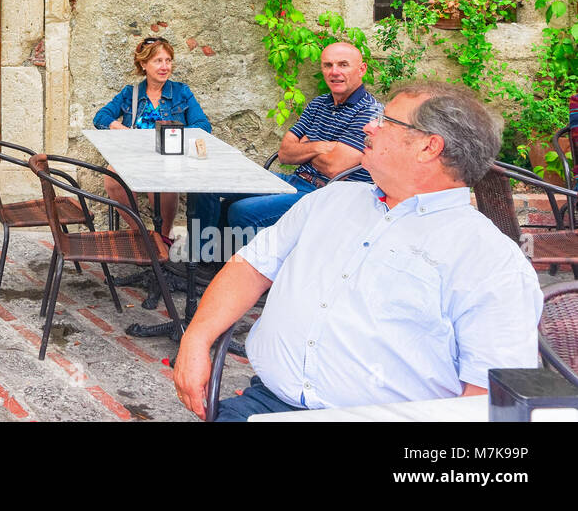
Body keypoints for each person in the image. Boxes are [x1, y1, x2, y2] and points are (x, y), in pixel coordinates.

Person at [172, 80, 543, 421]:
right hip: (265, 404)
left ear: (429, 147)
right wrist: (196, 339)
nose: (369, 126)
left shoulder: (490, 260)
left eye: (385, 120)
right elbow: (250, 267)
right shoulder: (330, 200)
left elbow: (489, 401)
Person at [215, 40, 380, 237]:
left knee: (241, 211)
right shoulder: (319, 104)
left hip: (325, 195)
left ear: (362, 69)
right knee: (219, 184)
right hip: (294, 181)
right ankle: (205, 253)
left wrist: (304, 146)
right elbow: (285, 153)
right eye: (328, 65)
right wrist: (321, 147)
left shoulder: (370, 112)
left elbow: (334, 167)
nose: (334, 72)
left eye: (343, 65)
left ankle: (260, 257)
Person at [92, 36, 212, 247]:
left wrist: (173, 134)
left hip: (169, 157)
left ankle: (163, 238)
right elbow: (100, 117)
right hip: (137, 156)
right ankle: (142, 235)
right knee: (112, 176)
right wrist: (122, 130)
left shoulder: (181, 92)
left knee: (163, 179)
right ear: (143, 64)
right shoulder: (130, 94)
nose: (165, 67)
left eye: (168, 60)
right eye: (158, 61)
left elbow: (203, 125)